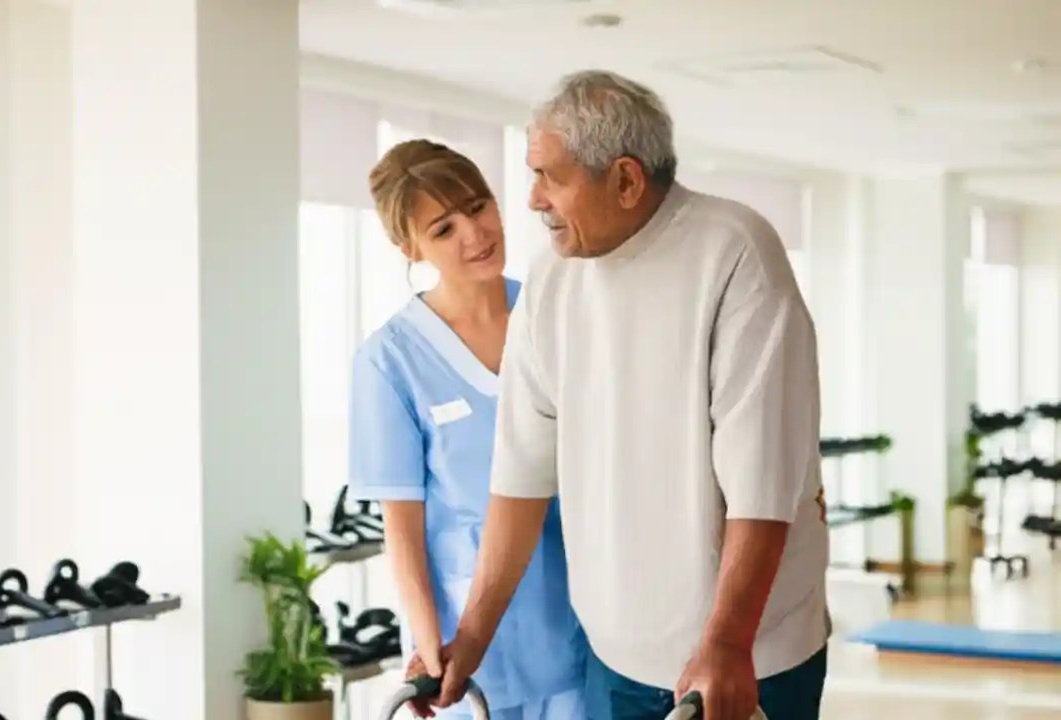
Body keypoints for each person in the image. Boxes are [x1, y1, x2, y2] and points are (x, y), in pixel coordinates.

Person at [431, 70, 831, 720]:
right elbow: (520, 476)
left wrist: (727, 643)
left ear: (624, 180)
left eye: (550, 177)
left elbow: (763, 485)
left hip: (745, 659)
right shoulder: (552, 280)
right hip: (615, 656)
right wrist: (472, 636)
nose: (532, 199)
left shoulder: (735, 253)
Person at [348, 139, 588, 720]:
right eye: (444, 228)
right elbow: (402, 524)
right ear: (410, 246)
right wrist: (428, 642)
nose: (475, 236)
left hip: (586, 623)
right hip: (475, 644)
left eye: (478, 208)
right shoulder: (392, 359)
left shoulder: (556, 314)